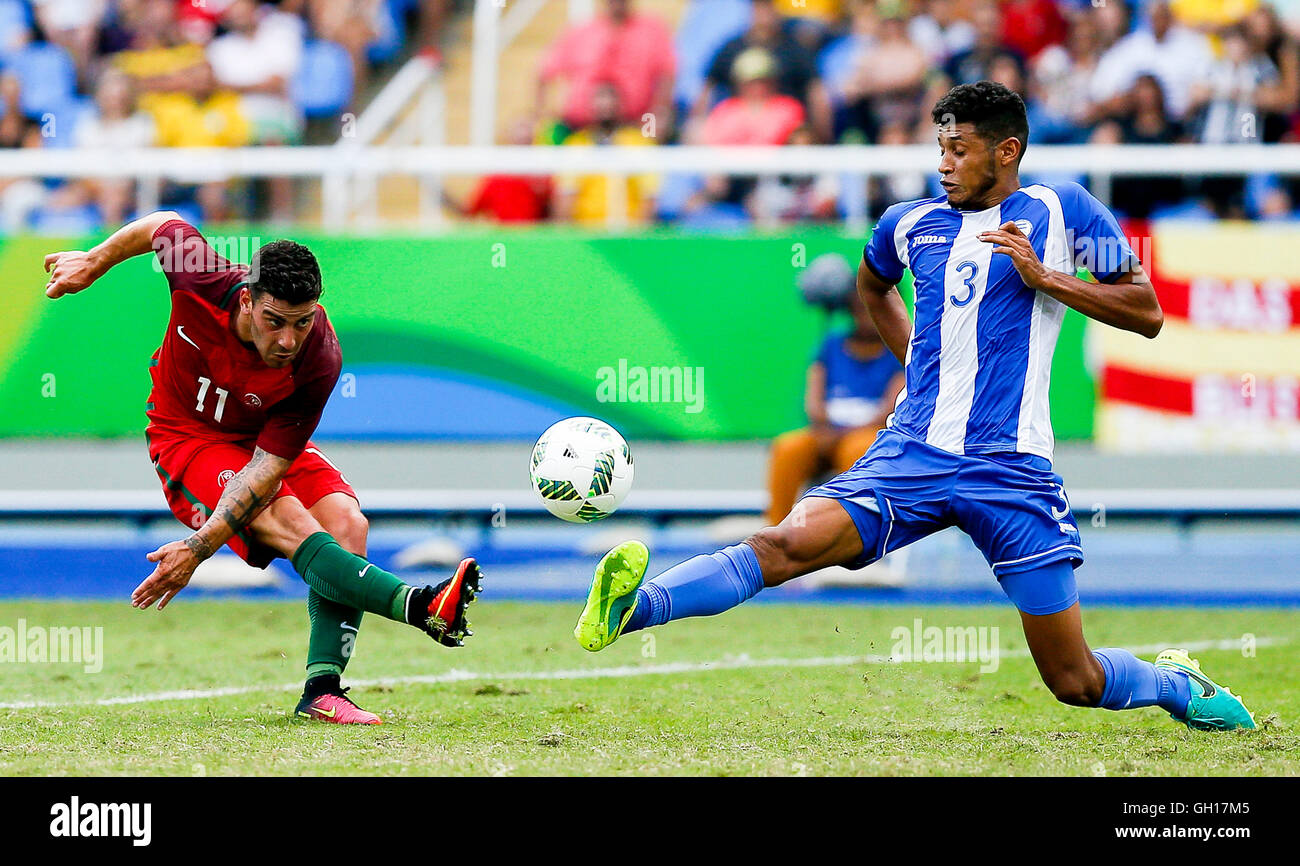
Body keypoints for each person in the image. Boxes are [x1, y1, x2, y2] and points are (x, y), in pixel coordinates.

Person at [573, 81, 1258, 732]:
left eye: (959, 151)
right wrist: (921, 370)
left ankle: (1172, 685)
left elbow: (1146, 312)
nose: (944, 165)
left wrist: (1045, 277)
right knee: (783, 543)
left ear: (1007, 151)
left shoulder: (1064, 210)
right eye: (940, 149)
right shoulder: (908, 223)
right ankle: (634, 609)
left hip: (1011, 470)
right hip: (912, 455)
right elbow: (874, 288)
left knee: (1074, 681)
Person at [41, 212, 483, 725]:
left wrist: (198, 547)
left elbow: (266, 470)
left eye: (302, 321)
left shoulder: (318, 357)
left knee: (347, 524)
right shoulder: (200, 275)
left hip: (257, 446)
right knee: (288, 522)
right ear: (248, 299)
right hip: (188, 437)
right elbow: (161, 223)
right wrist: (94, 262)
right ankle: (421, 606)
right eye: (275, 321)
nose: (289, 339)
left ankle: (322, 690)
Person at [767, 289, 903, 525]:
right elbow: (814, 403)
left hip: (869, 433)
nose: (867, 314)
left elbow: (889, 410)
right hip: (826, 431)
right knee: (788, 448)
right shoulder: (831, 345)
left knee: (858, 450)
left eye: (875, 308)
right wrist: (825, 429)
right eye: (860, 307)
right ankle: (776, 529)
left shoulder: (898, 349)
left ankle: (853, 530)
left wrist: (841, 435)